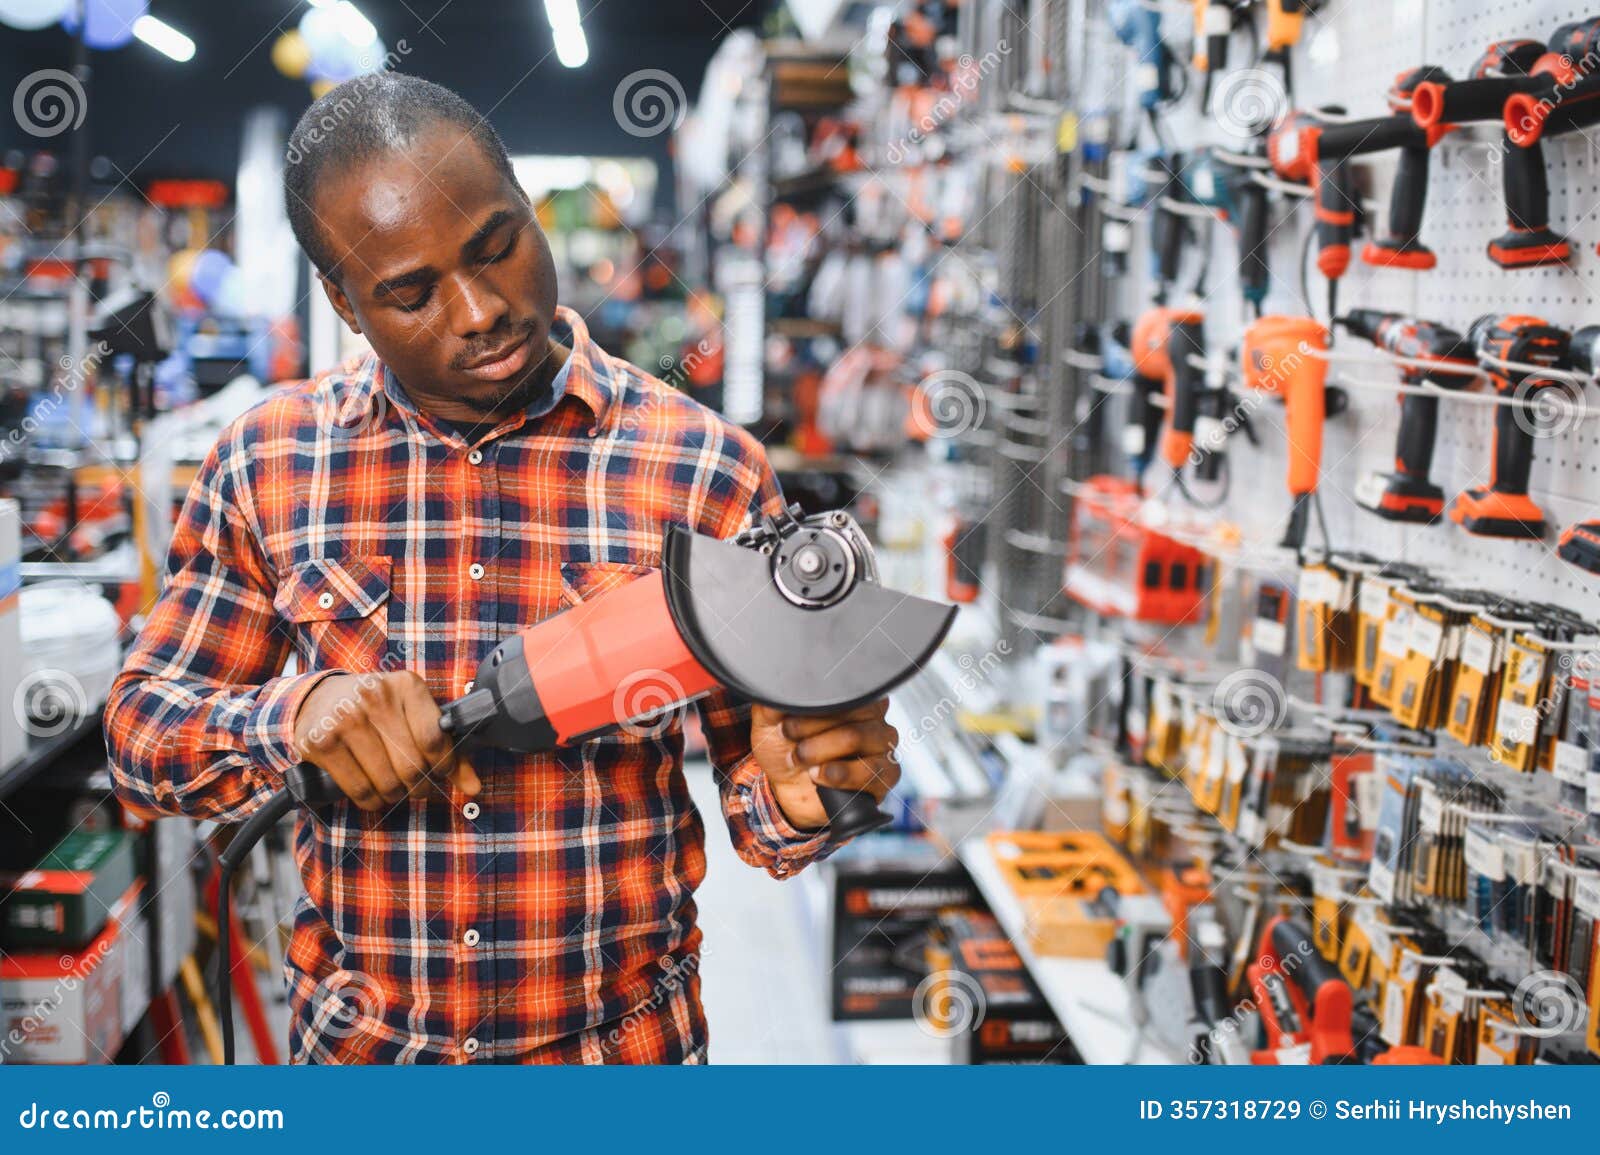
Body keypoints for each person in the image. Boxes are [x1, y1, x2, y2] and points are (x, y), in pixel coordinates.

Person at [106, 74, 900, 1064]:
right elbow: (142, 734)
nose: (482, 310)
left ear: (529, 207)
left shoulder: (704, 470)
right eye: (411, 292)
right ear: (345, 303)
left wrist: (799, 794)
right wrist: (293, 719)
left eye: (498, 247)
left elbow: (758, 795)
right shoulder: (270, 465)